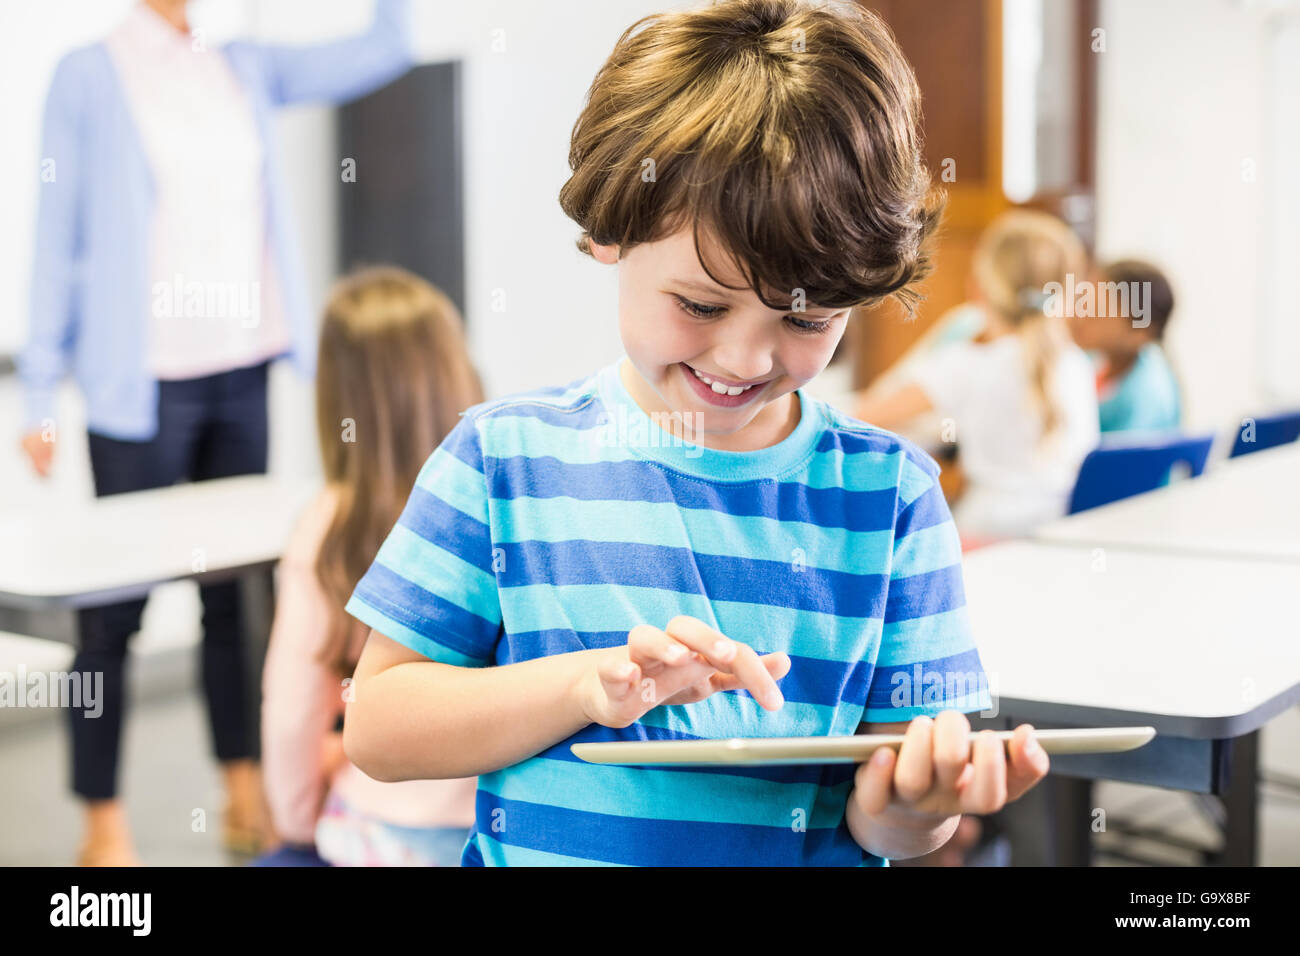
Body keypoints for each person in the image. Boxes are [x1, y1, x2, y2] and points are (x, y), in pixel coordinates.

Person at [341, 0, 1049, 867]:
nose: (745, 358)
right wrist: (582, 685)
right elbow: (378, 728)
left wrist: (921, 803)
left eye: (808, 319)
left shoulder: (890, 497)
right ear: (610, 234)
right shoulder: (502, 462)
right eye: (701, 305)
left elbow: (892, 821)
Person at [16, 0, 414, 865]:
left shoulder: (246, 62)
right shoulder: (89, 73)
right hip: (141, 385)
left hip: (242, 368)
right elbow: (57, 236)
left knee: (233, 604)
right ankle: (103, 821)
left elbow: (388, 46)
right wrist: (38, 388)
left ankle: (244, 792)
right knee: (111, 617)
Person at [259, 268, 481, 867]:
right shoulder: (500, 500)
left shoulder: (330, 527)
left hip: (380, 835)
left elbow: (292, 713)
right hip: (499, 829)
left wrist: (296, 819)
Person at [857, 210, 1100, 543]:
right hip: (1059, 536)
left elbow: (861, 417)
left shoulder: (967, 361)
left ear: (979, 287)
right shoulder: (1076, 363)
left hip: (983, 538)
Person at [1068, 259, 1181, 434]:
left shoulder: (1147, 395)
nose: (1078, 318)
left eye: (1096, 312)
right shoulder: (1092, 359)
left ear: (1140, 332)